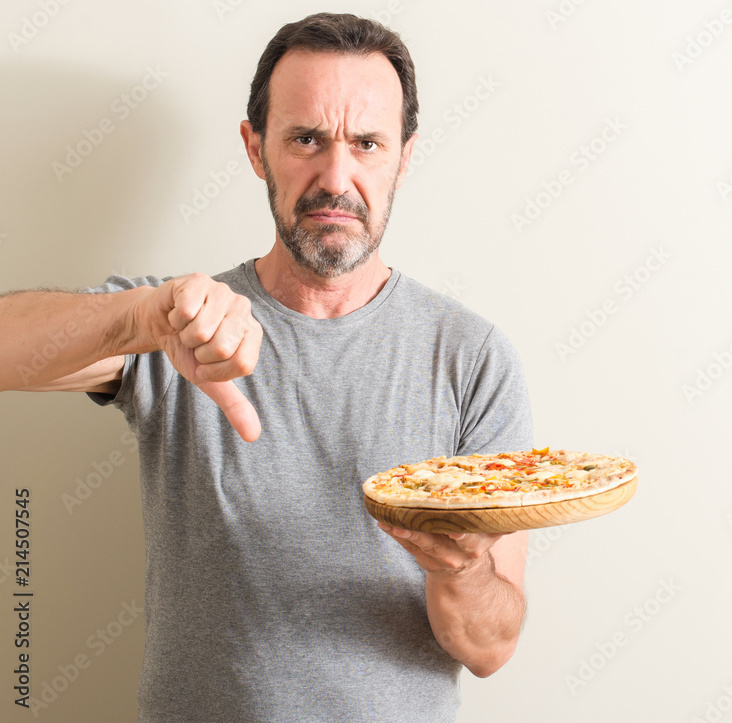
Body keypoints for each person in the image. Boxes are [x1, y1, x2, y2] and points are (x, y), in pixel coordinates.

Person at [0, 13, 532, 722]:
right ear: (255, 148)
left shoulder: (472, 359)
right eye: (306, 139)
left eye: (366, 143)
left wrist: (459, 566)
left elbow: (490, 648)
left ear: (403, 155)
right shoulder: (181, 321)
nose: (335, 178)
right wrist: (141, 318)